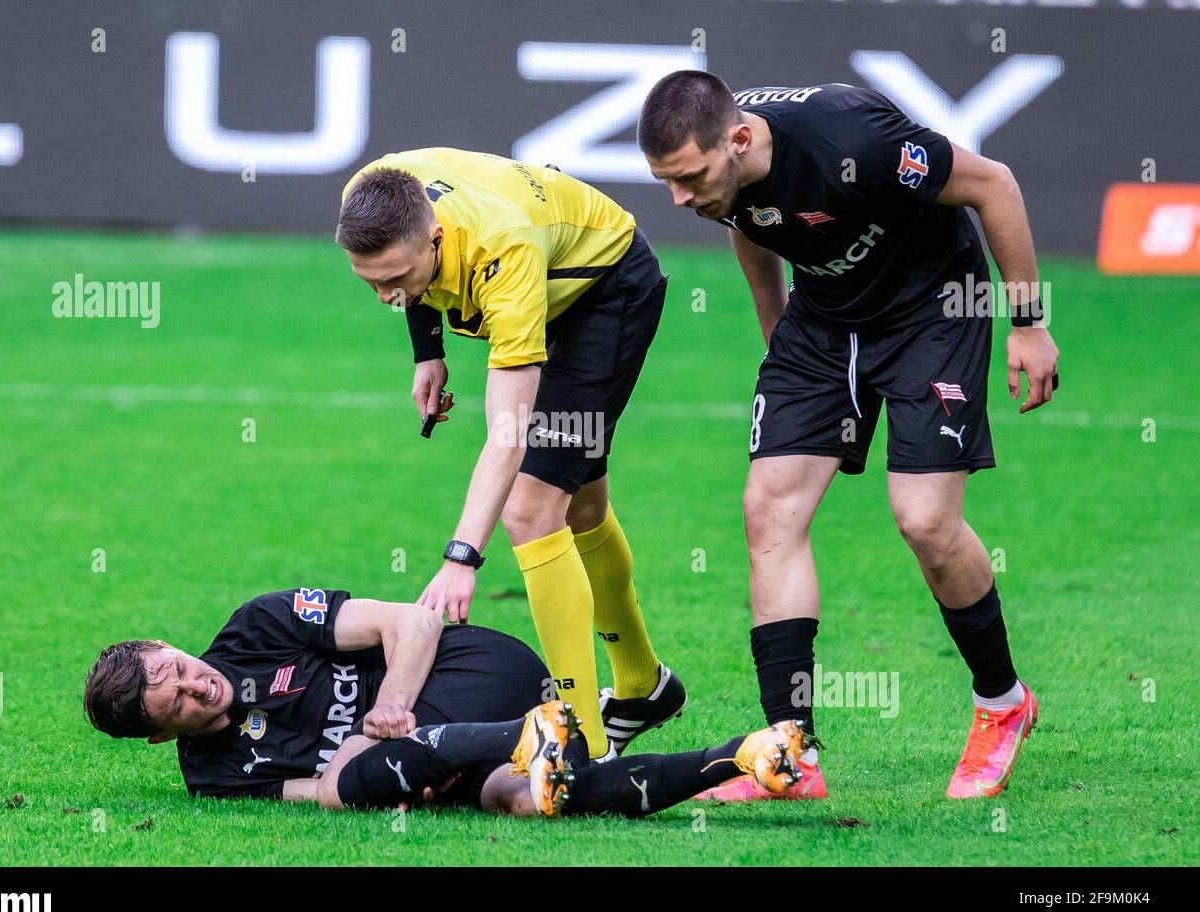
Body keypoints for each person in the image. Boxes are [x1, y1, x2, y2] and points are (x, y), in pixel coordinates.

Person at [637, 72, 1058, 800]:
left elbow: (996, 184)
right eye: (665, 182)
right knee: (769, 511)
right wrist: (778, 341)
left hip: (933, 309)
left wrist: (1028, 323)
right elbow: (751, 229)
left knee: (924, 520)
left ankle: (1002, 703)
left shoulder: (852, 138)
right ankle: (789, 755)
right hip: (824, 324)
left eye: (690, 177)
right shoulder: (724, 182)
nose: (680, 198)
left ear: (738, 140)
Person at [335, 148, 685, 760]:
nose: (384, 294)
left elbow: (508, 434)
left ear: (436, 238)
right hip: (546, 280)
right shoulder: (372, 193)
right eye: (369, 281)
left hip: (606, 294)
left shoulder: (505, 251)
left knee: (531, 509)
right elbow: (402, 276)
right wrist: (427, 350)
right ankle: (641, 688)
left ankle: (586, 748)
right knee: (581, 508)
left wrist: (462, 556)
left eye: (396, 279)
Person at [82, 588, 796, 816]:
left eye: (177, 666)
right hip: (432, 764)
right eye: (173, 699)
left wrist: (391, 705)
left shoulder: (255, 627)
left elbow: (414, 621)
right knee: (535, 800)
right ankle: (742, 758)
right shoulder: (212, 775)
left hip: (472, 669)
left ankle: (534, 731)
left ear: (171, 646)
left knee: (368, 775)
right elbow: (321, 793)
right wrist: (368, 754)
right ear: (157, 736)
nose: (194, 682)